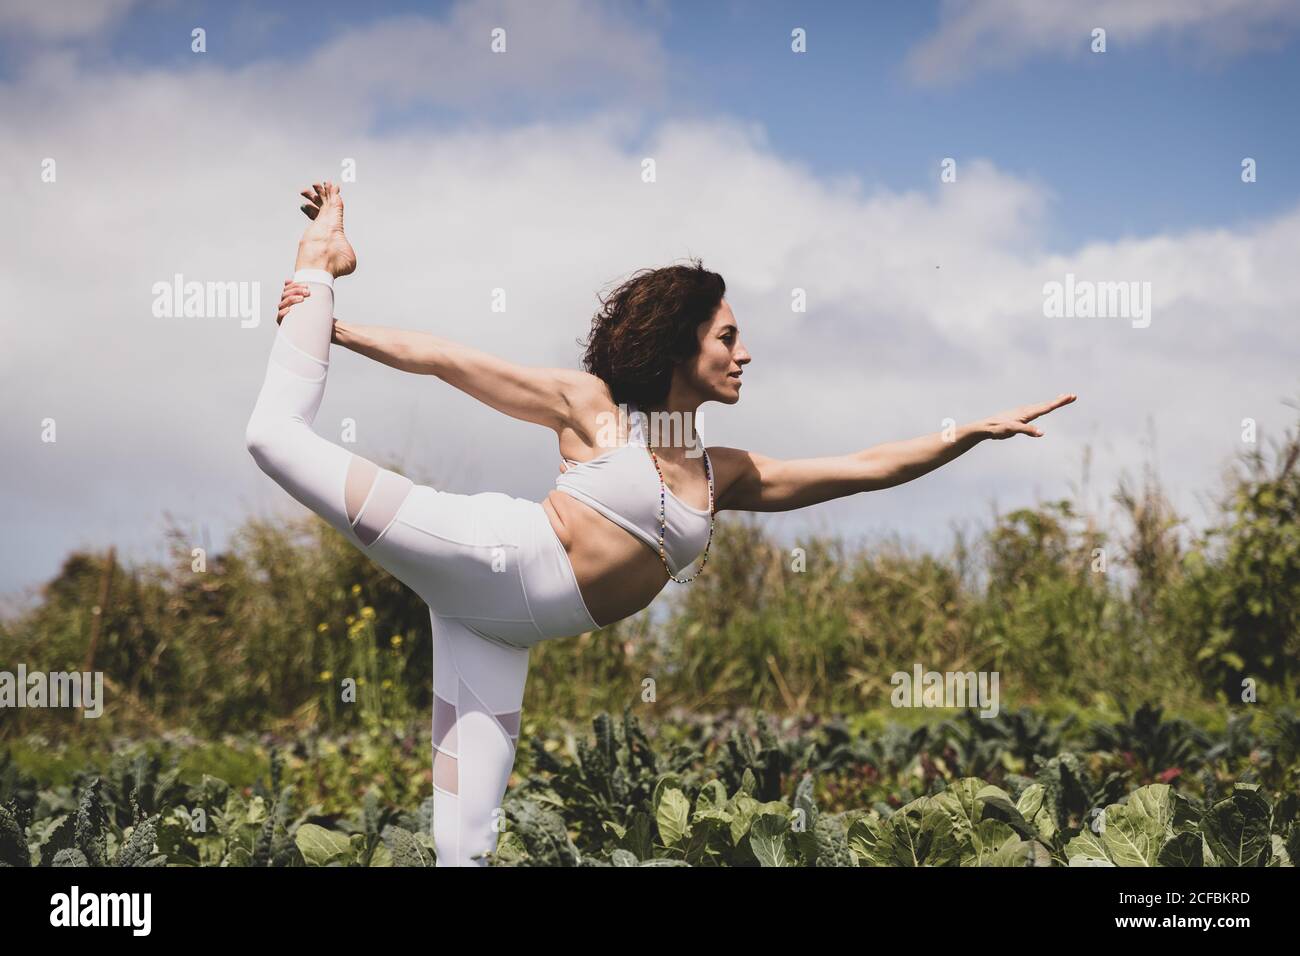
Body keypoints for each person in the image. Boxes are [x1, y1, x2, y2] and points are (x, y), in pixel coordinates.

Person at [246, 180, 1077, 865]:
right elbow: (450, 361)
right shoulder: (593, 411)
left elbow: (865, 471)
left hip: (497, 636)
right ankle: (321, 259)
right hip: (486, 555)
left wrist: (964, 432)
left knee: (464, 850)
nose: (744, 353)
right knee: (274, 438)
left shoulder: (725, 475)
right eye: (729, 336)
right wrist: (335, 323)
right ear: (684, 344)